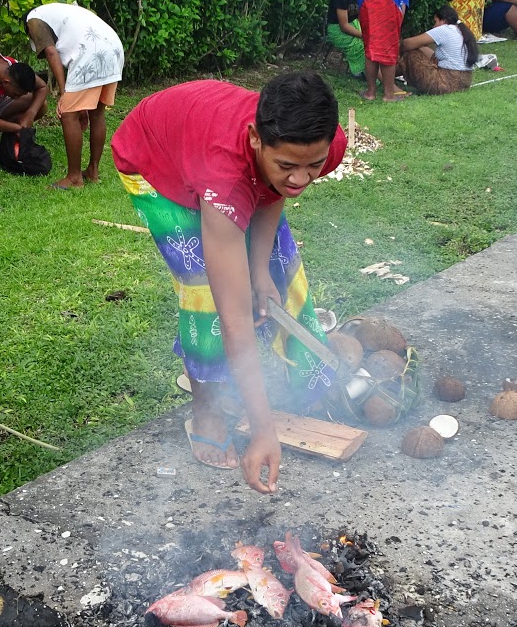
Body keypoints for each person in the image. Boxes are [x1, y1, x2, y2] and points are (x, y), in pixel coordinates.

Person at [111, 72, 347, 495]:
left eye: (314, 166)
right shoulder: (223, 174)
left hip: (210, 140)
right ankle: (205, 410)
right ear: (256, 138)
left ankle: (301, 385)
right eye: (289, 166)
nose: (301, 179)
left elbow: (273, 191)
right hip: (154, 157)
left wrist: (259, 272)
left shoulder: (319, 143)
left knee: (280, 270)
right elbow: (235, 318)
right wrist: (263, 431)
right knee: (206, 293)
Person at [25, 2, 125, 190]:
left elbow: (51, 52)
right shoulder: (63, 11)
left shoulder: (33, 19)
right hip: (114, 48)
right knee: (96, 112)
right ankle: (93, 171)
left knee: (68, 114)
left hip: (91, 53)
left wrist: (64, 92)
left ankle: (74, 178)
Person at [398, 3, 480, 95]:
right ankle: (387, 75)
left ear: (443, 21)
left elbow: (407, 44)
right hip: (464, 83)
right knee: (423, 50)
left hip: (446, 84)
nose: (434, 26)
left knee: (411, 52)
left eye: (435, 21)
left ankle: (386, 78)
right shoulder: (460, 30)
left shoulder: (445, 29)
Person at [356, 0, 410, 102]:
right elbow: (401, 10)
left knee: (370, 49)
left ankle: (370, 93)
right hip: (387, 1)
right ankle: (389, 95)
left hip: (365, 4)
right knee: (388, 48)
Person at [325, 0, 370, 78]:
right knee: (360, 45)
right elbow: (344, 26)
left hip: (354, 24)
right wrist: (363, 35)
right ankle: (360, 72)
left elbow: (361, 16)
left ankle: (375, 71)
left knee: (373, 41)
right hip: (337, 30)